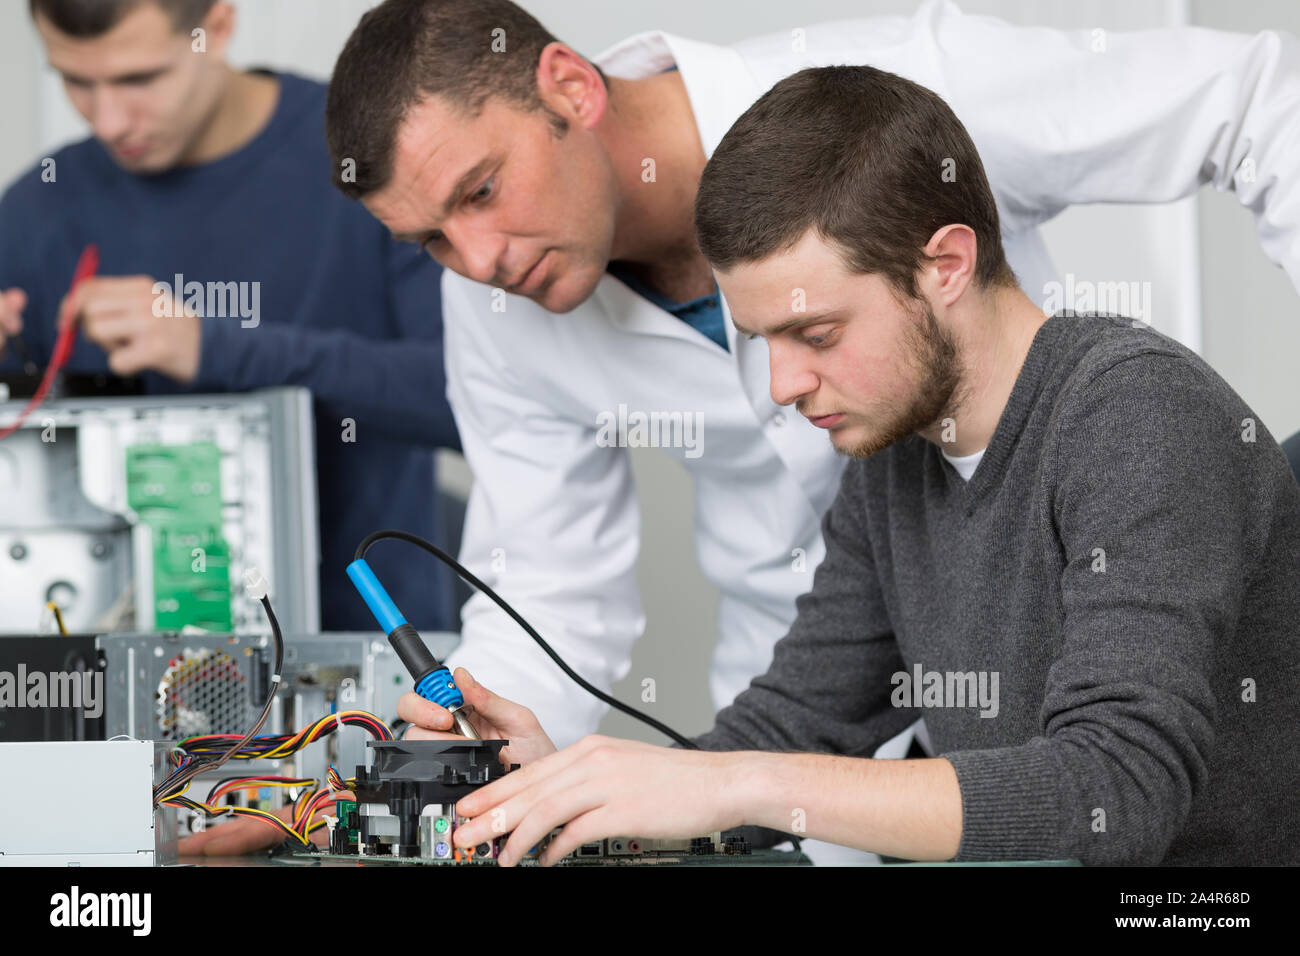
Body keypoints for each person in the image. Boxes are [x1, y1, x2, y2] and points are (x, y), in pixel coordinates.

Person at [325, 0, 1300, 757]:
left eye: (481, 190)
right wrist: (455, 747)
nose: (480, 258)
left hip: (1063, 661)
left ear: (571, 88)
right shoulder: (496, 306)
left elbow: (1255, 99)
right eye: (430, 241)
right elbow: (550, 577)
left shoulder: (893, 98)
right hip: (797, 716)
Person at [0, 0, 461, 631]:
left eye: (140, 79)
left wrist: (216, 348)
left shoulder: (371, 163)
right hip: (96, 694)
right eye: (76, 81)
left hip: (372, 677)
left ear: (215, 27)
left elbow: (468, 402)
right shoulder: (36, 211)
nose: (108, 120)